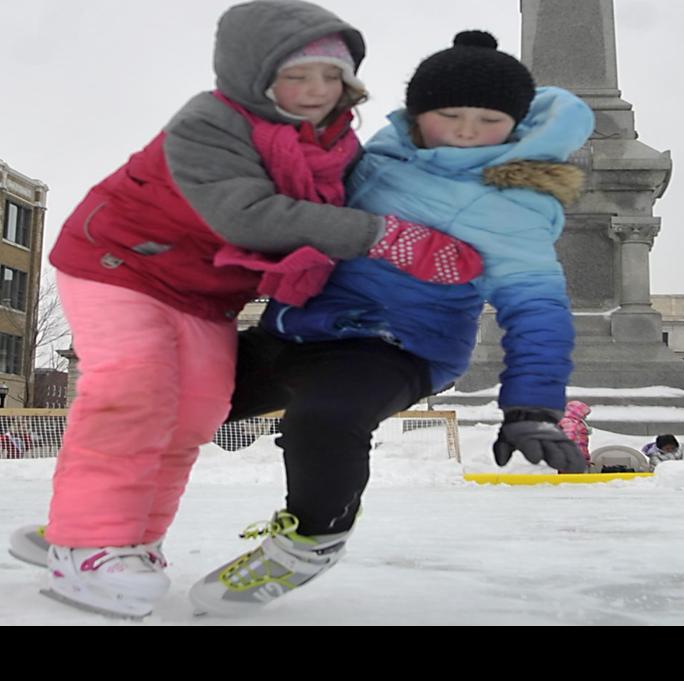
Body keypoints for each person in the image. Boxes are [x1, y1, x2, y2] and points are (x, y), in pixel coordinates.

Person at [17, 0, 480, 620]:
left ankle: (130, 537)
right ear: (254, 74)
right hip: (122, 264)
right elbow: (245, 215)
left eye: (331, 77)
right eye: (297, 75)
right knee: (136, 387)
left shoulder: (334, 142)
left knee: (199, 408)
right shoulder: (209, 121)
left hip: (205, 292)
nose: (316, 90)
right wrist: (381, 235)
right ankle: (86, 540)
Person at [184, 29, 595, 616]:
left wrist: (531, 407)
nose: (466, 133)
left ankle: (311, 538)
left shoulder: (516, 205)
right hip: (296, 327)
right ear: (418, 113)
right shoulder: (378, 154)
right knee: (178, 395)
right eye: (449, 114)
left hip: (396, 347)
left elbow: (535, 309)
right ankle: (115, 524)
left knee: (325, 418)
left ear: (517, 125)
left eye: (488, 121)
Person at [558, 400, 592, 468]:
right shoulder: (570, 423)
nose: (585, 417)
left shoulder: (575, 422)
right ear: (578, 413)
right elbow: (568, 438)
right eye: (584, 415)